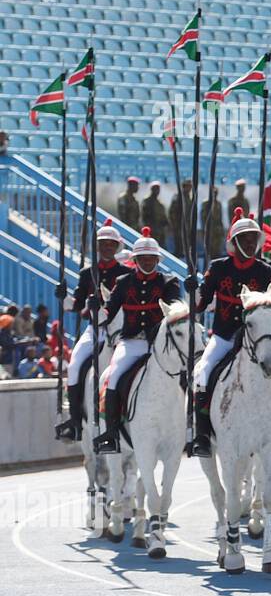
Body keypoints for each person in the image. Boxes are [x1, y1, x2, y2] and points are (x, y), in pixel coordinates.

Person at [190, 210, 271, 457]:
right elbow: (199, 305)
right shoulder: (218, 268)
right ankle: (202, 434)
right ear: (235, 242)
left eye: (254, 238)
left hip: (257, 340)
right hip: (224, 336)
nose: (251, 243)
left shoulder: (266, 271)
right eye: (245, 238)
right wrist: (193, 291)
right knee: (203, 372)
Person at [92, 229, 183, 454]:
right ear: (135, 260)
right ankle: (111, 433)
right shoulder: (123, 282)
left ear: (157, 260)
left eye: (152, 258)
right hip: (131, 342)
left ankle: (186, 425)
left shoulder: (169, 282)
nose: (148, 262)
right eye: (143, 258)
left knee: (185, 375)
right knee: (112, 379)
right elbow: (109, 312)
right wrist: (98, 308)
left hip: (160, 346)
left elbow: (174, 311)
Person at [54, 221, 131, 441]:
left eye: (111, 244)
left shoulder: (126, 273)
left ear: (117, 247)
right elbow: (75, 306)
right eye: (103, 244)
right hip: (95, 329)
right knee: (76, 363)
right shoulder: (88, 273)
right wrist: (64, 297)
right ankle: (76, 419)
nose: (107, 247)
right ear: (97, 247)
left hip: (121, 329)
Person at [168, 178, 194, 256]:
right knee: (179, 243)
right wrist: (174, 224)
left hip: (187, 225)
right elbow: (172, 212)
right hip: (179, 225)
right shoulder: (178, 197)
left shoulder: (188, 198)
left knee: (186, 243)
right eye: (188, 186)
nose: (189, 188)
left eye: (190, 186)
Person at [141, 180, 168, 248]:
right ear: (151, 189)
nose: (157, 190)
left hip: (160, 230)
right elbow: (145, 216)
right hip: (151, 230)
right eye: (155, 188)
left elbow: (163, 217)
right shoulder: (147, 201)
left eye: (158, 189)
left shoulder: (160, 203)